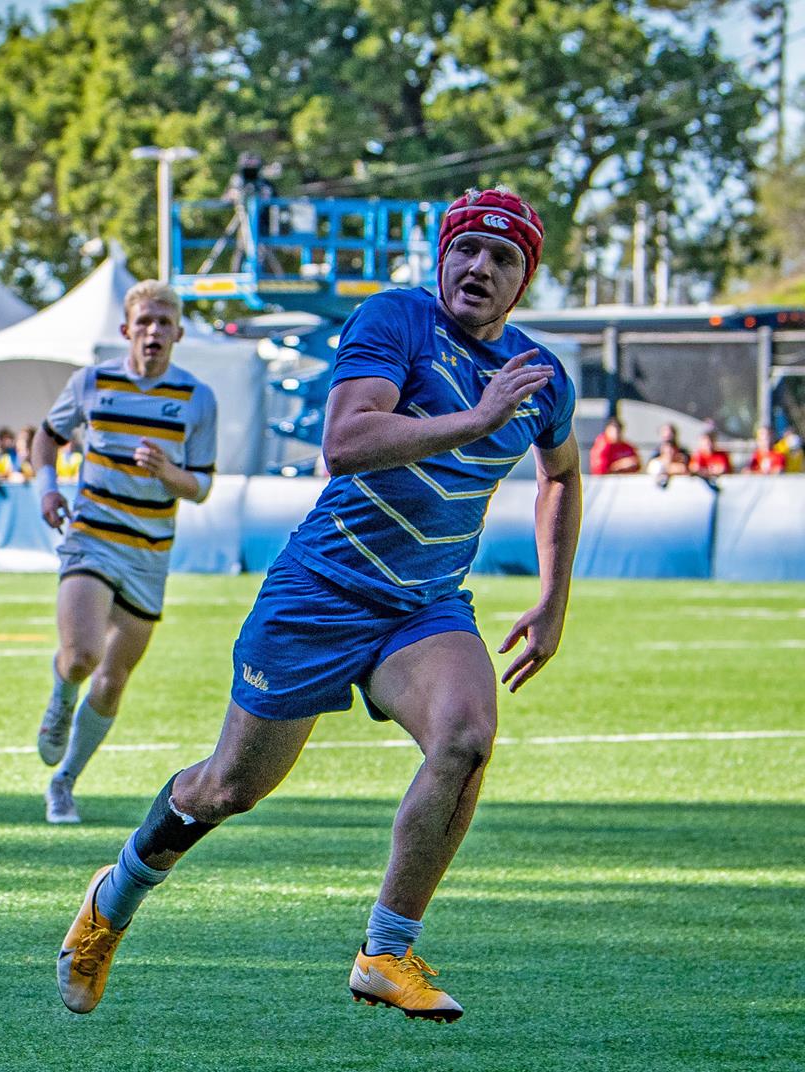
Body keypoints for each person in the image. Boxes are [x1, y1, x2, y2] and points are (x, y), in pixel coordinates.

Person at [56, 187, 580, 1025]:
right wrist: (475, 420)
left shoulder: (541, 375)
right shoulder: (395, 320)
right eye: (467, 249)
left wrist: (553, 597)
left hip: (423, 607)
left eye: (503, 257)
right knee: (228, 788)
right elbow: (346, 442)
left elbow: (560, 474)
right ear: (442, 255)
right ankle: (112, 899)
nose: (479, 266)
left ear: (525, 280)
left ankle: (386, 950)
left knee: (467, 738)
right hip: (322, 591)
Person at [31, 281, 219, 825]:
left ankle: (64, 781)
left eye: (164, 322)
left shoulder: (197, 398)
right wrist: (48, 486)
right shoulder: (92, 383)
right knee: (82, 656)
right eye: (145, 322)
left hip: (149, 552)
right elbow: (46, 437)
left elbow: (202, 484)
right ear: (126, 330)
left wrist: (168, 473)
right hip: (91, 535)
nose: (154, 331)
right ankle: (61, 696)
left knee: (112, 680)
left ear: (179, 333)